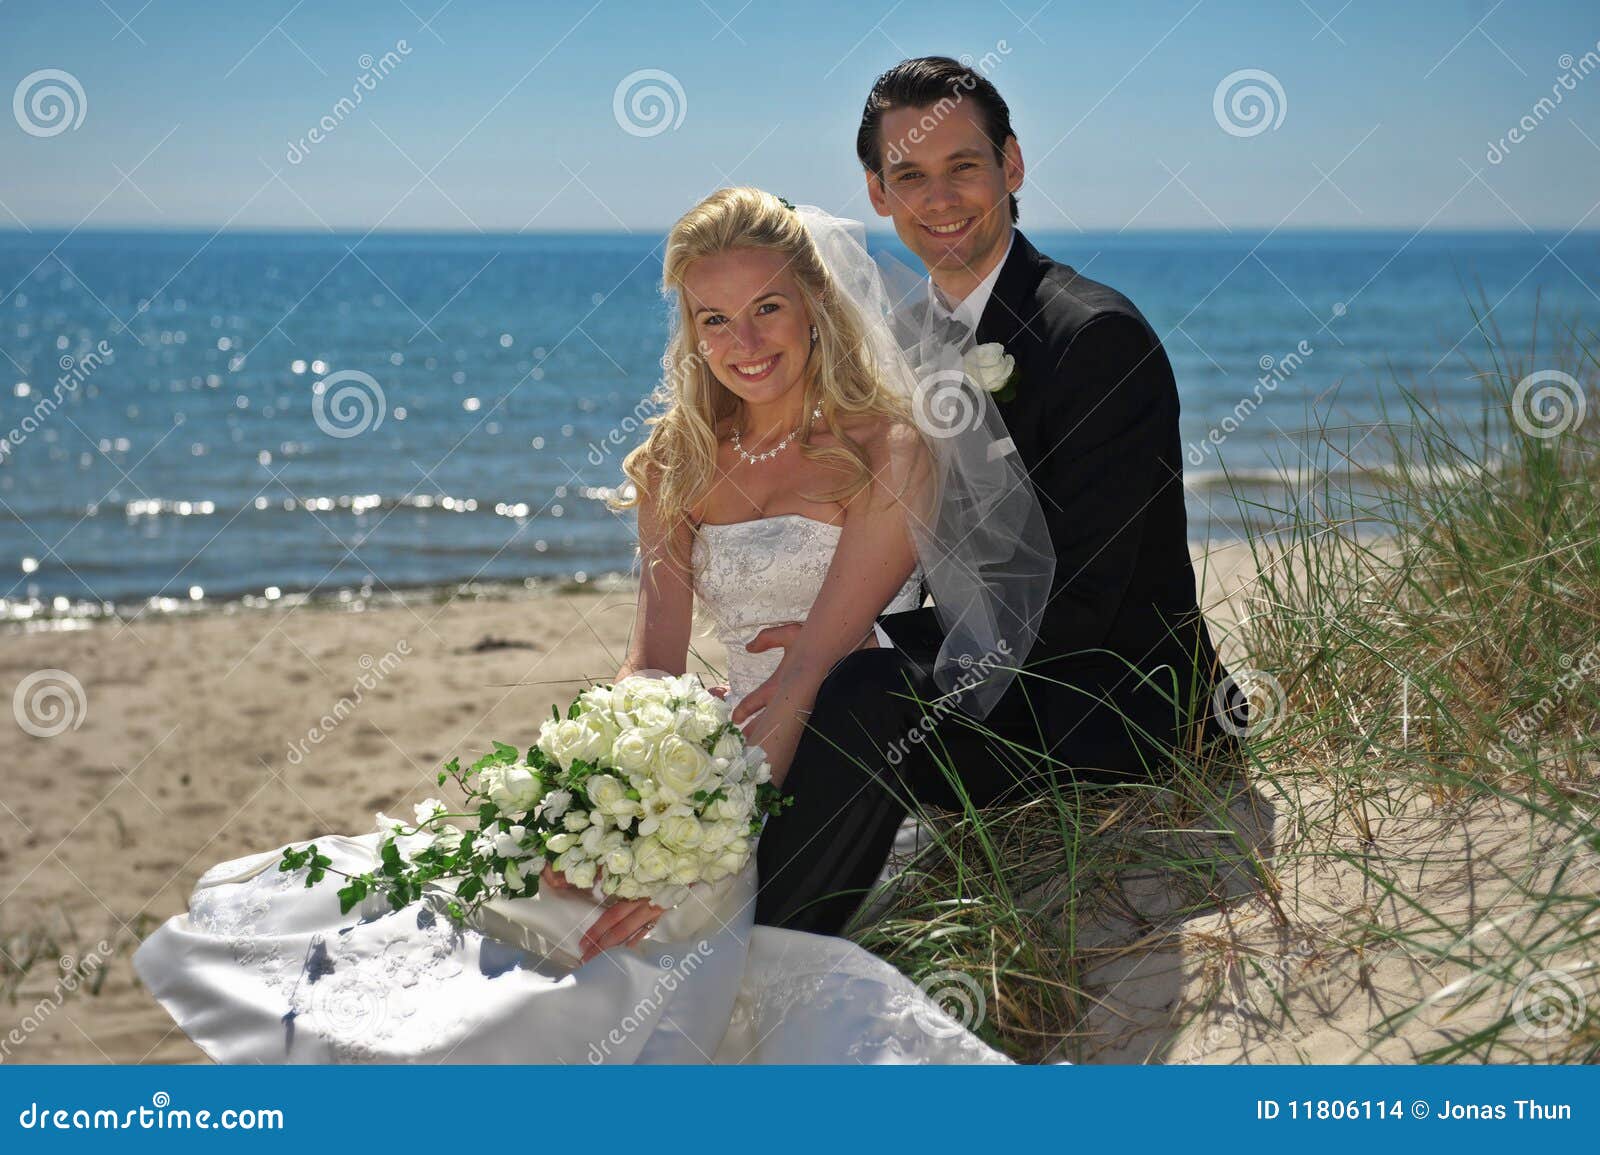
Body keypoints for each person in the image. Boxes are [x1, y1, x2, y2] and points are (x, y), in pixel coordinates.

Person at [130, 186, 1025, 1065]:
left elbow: (803, 680)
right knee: (536, 901)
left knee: (659, 945)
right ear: (688, 327)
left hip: (834, 761)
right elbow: (652, 662)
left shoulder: (884, 449)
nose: (742, 344)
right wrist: (610, 802)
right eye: (712, 319)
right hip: (707, 749)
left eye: (766, 309)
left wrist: (683, 853)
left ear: (815, 303)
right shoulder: (678, 458)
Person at [751, 57, 1243, 938]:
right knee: (778, 677)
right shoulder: (902, 340)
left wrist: (875, 645)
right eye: (910, 176)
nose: (939, 199)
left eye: (963, 167)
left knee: (859, 691)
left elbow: (1086, 604)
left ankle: (768, 946)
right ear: (877, 192)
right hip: (1001, 673)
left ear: (1012, 166)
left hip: (1116, 703)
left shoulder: (1094, 337)